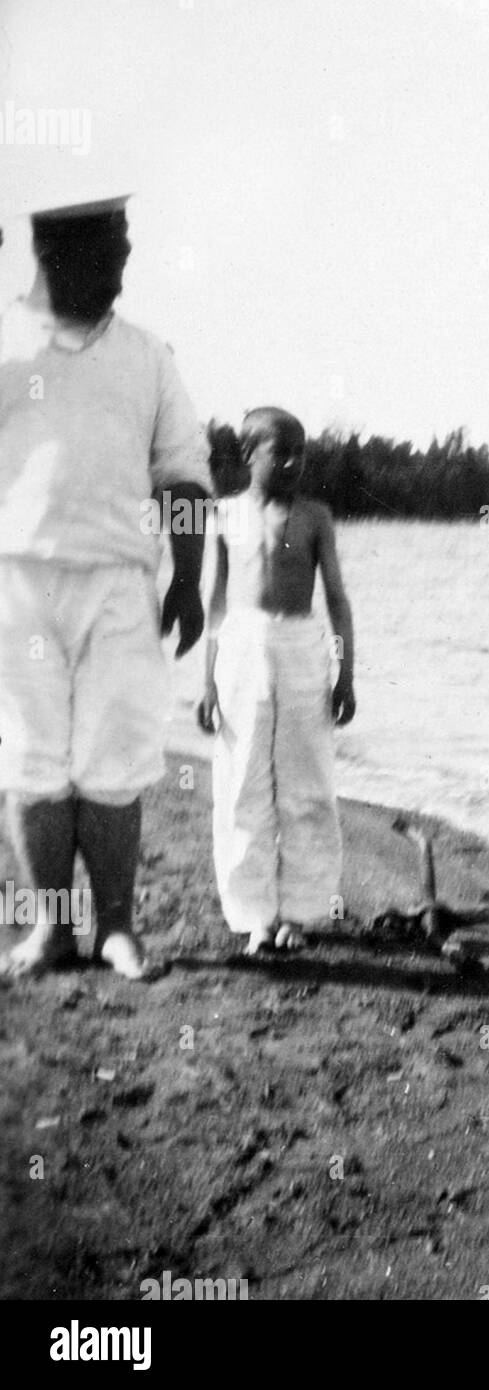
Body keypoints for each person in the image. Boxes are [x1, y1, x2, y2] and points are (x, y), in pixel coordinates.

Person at [0, 192, 211, 979]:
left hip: (122, 581)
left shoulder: (149, 355)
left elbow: (183, 475)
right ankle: (51, 931)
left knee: (112, 761)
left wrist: (189, 580)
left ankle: (117, 928)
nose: (126, 254)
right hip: (16, 579)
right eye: (113, 240)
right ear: (59, 250)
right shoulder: (8, 346)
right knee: (34, 760)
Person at [197, 407, 356, 954]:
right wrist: (207, 681)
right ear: (248, 454)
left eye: (300, 452)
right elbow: (215, 602)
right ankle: (254, 915)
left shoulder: (315, 517)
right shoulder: (224, 514)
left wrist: (346, 673)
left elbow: (337, 599)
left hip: (301, 647)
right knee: (242, 782)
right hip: (241, 647)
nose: (293, 462)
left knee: (307, 783)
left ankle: (301, 911)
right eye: (280, 451)